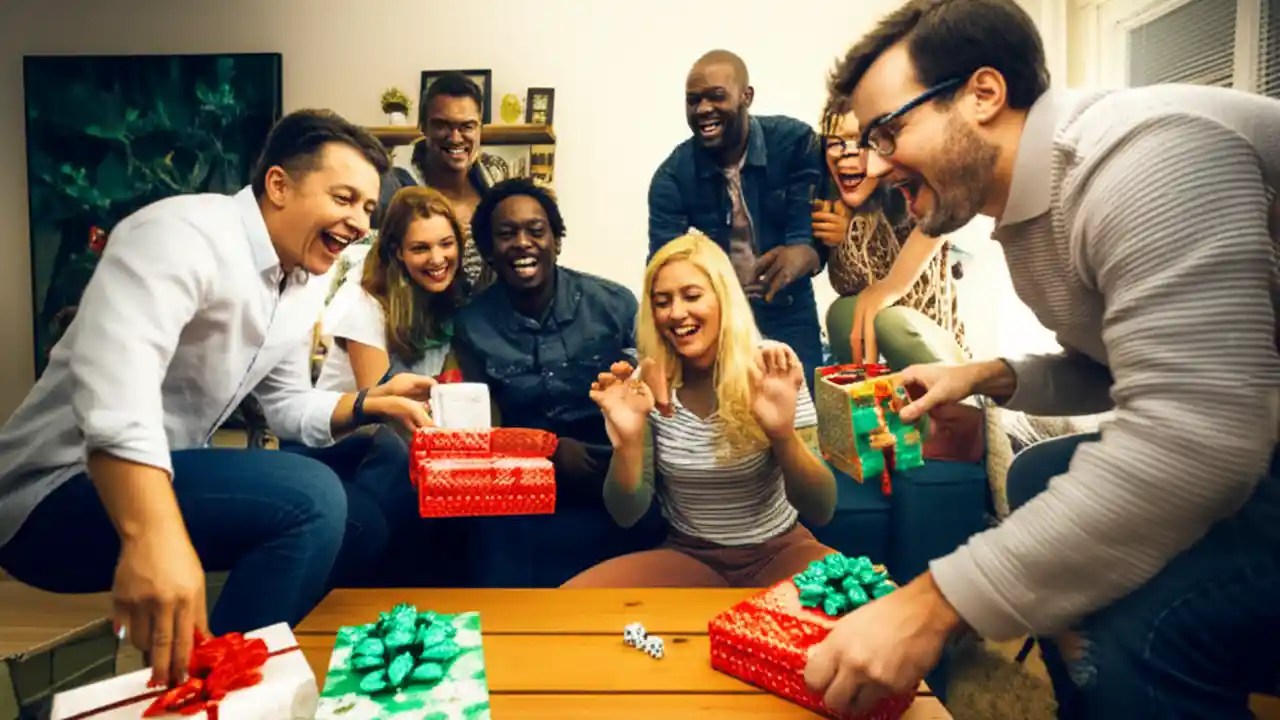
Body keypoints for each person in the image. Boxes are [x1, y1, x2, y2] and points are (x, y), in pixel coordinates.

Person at [802, 1, 1280, 718]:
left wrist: (932, 605)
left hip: (1247, 445)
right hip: (1252, 436)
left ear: (984, 94)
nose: (870, 164)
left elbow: (1201, 441)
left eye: (888, 132)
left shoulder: (1141, 160)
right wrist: (988, 375)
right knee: (1034, 474)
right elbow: (1117, 369)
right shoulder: (1026, 217)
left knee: (1136, 634)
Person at [0, 109, 439, 689]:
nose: (360, 221)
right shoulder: (181, 234)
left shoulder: (300, 283)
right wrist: (150, 535)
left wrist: (369, 404)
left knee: (366, 510)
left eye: (367, 207)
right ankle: (209, 693)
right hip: (53, 495)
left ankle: (270, 662)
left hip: (168, 470)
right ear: (278, 184)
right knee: (312, 497)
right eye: (344, 198)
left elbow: (285, 406)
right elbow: (114, 393)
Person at [562, 233, 837, 588]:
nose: (676, 313)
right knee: (573, 603)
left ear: (723, 299)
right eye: (662, 302)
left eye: (692, 296)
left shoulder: (772, 365)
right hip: (691, 556)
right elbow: (626, 513)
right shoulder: (645, 381)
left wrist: (782, 434)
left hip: (781, 550)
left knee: (870, 613)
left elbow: (822, 508)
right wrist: (628, 440)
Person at [453, 177, 639, 507]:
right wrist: (546, 449)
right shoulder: (471, 325)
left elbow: (654, 400)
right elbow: (477, 431)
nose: (523, 243)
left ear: (556, 241)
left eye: (536, 230)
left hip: (611, 480)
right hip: (521, 485)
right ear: (487, 251)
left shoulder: (616, 306)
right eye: (506, 234)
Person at [648, 49, 827, 389]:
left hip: (786, 305)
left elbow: (808, 231)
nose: (703, 109)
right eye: (693, 100)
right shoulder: (672, 176)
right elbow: (662, 266)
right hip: (715, 317)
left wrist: (809, 253)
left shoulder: (794, 142)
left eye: (716, 96)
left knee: (804, 412)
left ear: (747, 96)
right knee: (725, 421)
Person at [813, 106, 966, 370]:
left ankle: (965, 399)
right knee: (843, 315)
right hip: (873, 359)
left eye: (862, 142)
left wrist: (892, 285)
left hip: (930, 342)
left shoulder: (912, 190)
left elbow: (949, 205)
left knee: (888, 322)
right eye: (834, 144)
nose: (846, 155)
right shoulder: (827, 200)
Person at [314, 185, 466, 392]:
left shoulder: (455, 300)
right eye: (420, 248)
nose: (437, 259)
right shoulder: (366, 309)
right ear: (398, 252)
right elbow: (379, 409)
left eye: (446, 244)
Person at [380, 72, 505, 295]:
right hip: (412, 325)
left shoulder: (494, 189)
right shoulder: (392, 190)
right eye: (442, 125)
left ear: (479, 130)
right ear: (424, 128)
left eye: (467, 126)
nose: (456, 138)